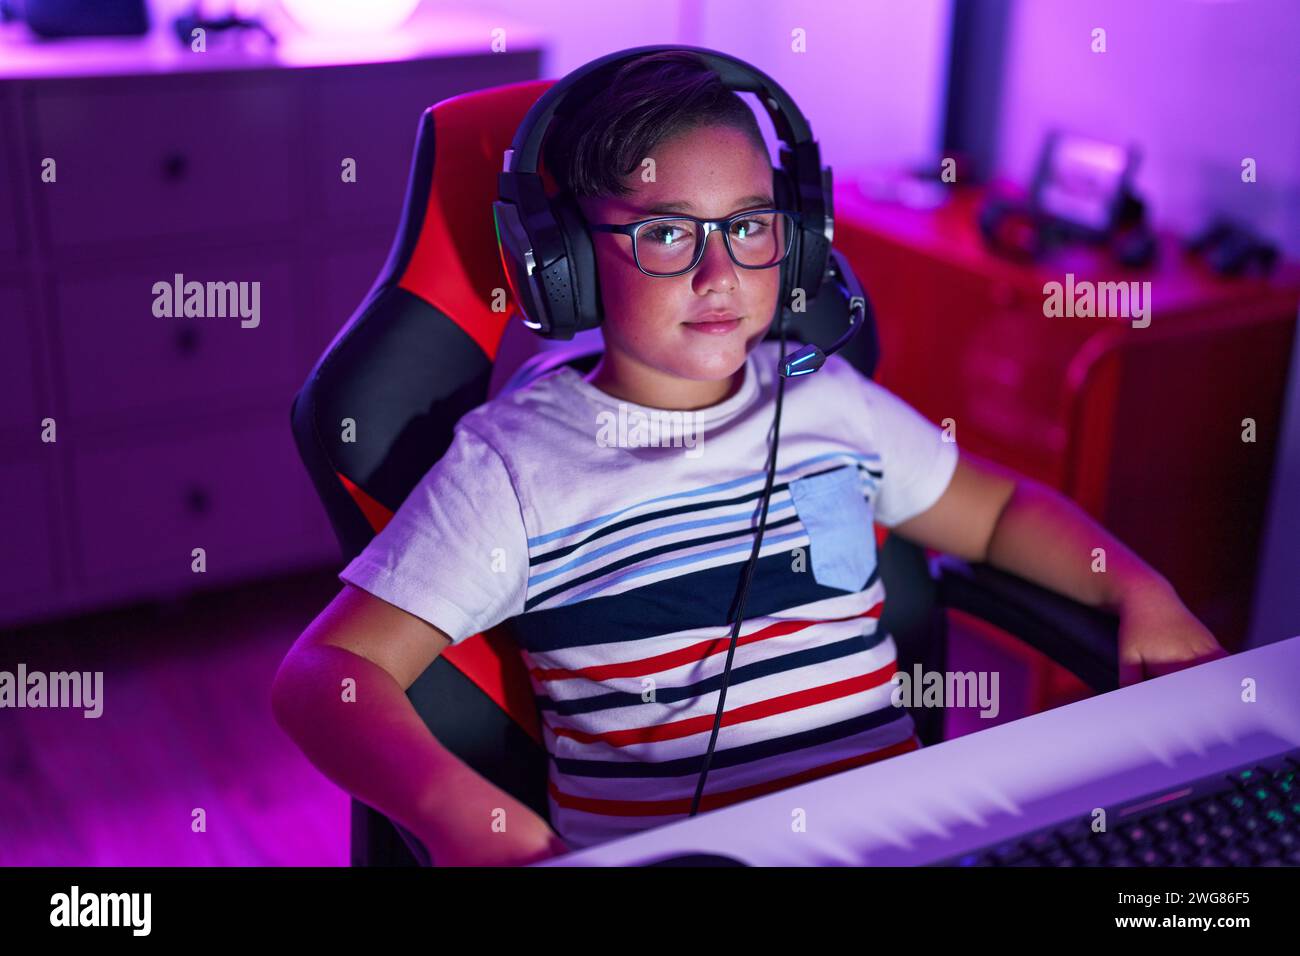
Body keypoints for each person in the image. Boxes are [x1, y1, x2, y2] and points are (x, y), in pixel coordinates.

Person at [271, 51, 1226, 867]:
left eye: (751, 224)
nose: (720, 272)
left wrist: (1137, 588)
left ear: (797, 237)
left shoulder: (826, 400)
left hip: (907, 840)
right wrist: (466, 821)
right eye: (663, 233)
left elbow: (1000, 514)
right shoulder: (514, 469)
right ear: (559, 264)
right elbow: (327, 676)